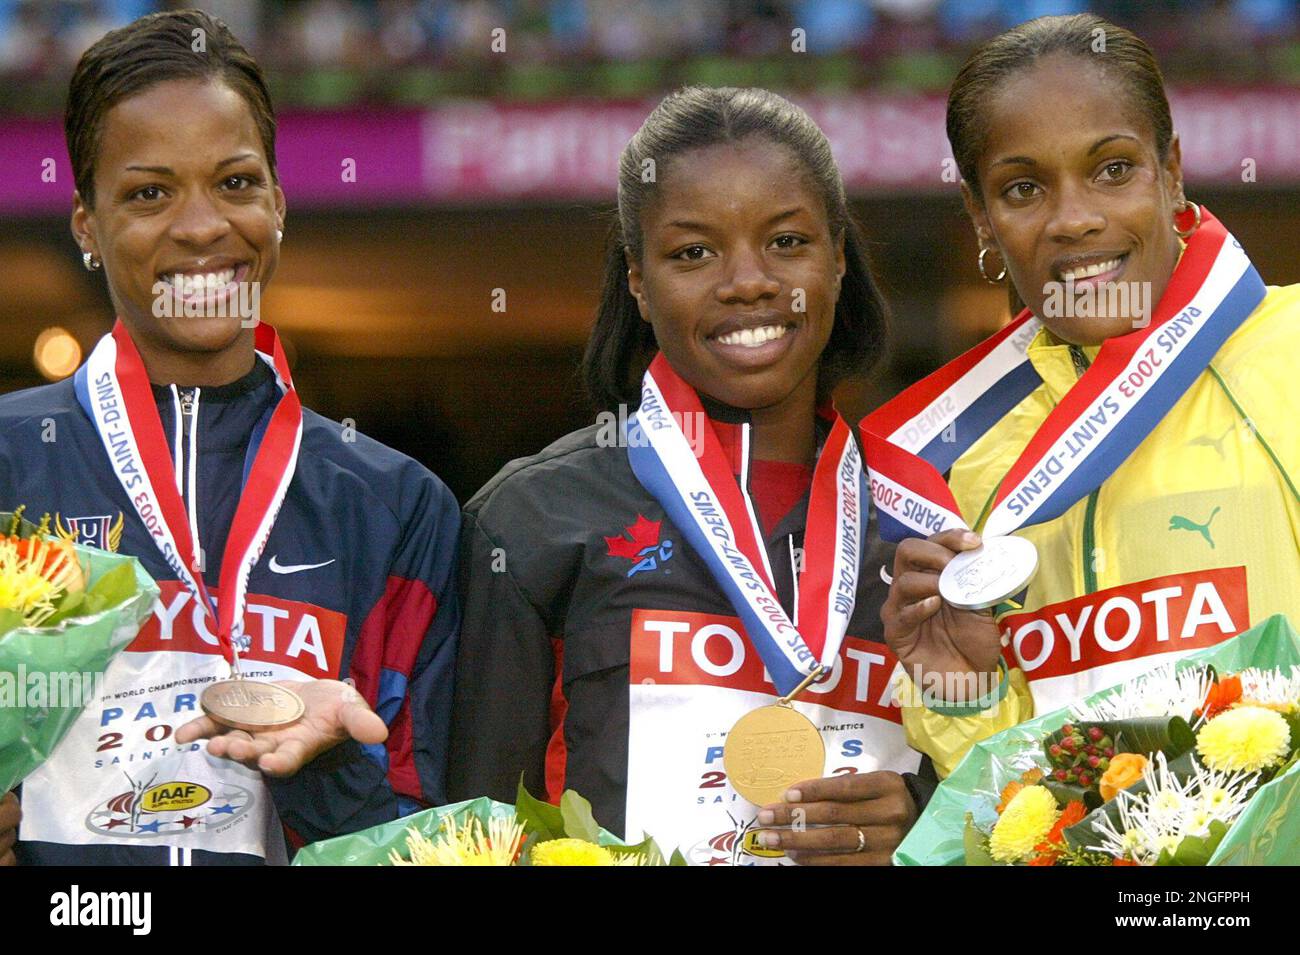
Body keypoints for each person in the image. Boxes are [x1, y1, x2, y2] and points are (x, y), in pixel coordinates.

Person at [1, 10, 460, 865]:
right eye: (148, 192)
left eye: (237, 182)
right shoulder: (9, 459)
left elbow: (428, 837)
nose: (203, 226)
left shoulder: (397, 505)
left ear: (279, 205)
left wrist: (328, 768)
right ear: (86, 227)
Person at [449, 86, 931, 866]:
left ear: (838, 259)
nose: (748, 281)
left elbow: (997, 786)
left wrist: (923, 819)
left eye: (786, 242)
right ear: (637, 280)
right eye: (693, 253)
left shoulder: (925, 515)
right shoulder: (531, 517)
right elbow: (468, 830)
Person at [877, 14, 1300, 778]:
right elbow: (997, 797)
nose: (1075, 218)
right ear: (980, 214)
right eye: (1023, 188)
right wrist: (958, 685)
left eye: (1113, 169)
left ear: (1171, 173)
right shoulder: (950, 455)